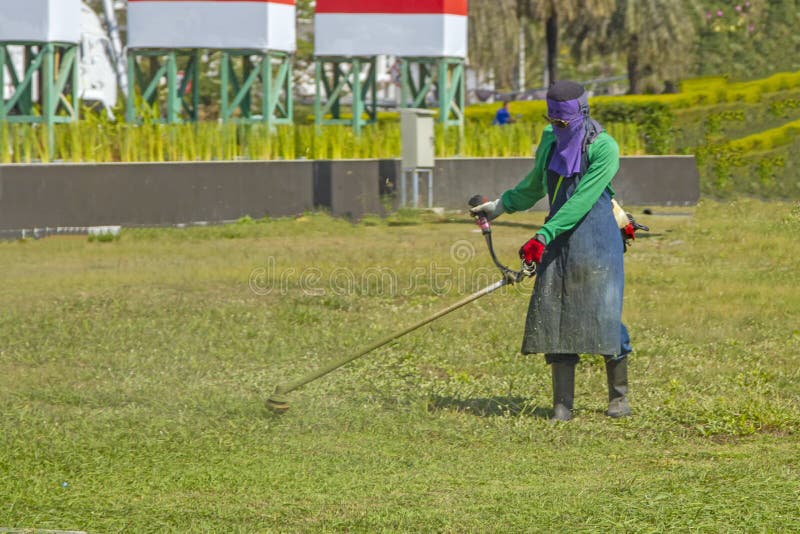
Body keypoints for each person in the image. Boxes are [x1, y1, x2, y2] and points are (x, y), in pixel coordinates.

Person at [471, 80, 632, 422]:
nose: (557, 128)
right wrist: (499, 206)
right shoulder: (549, 139)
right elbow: (534, 185)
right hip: (557, 239)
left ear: (581, 113)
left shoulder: (605, 148)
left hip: (597, 243)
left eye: (563, 122)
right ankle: (562, 405)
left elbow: (582, 199)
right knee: (555, 312)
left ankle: (618, 397)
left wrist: (542, 235)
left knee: (604, 316)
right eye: (552, 120)